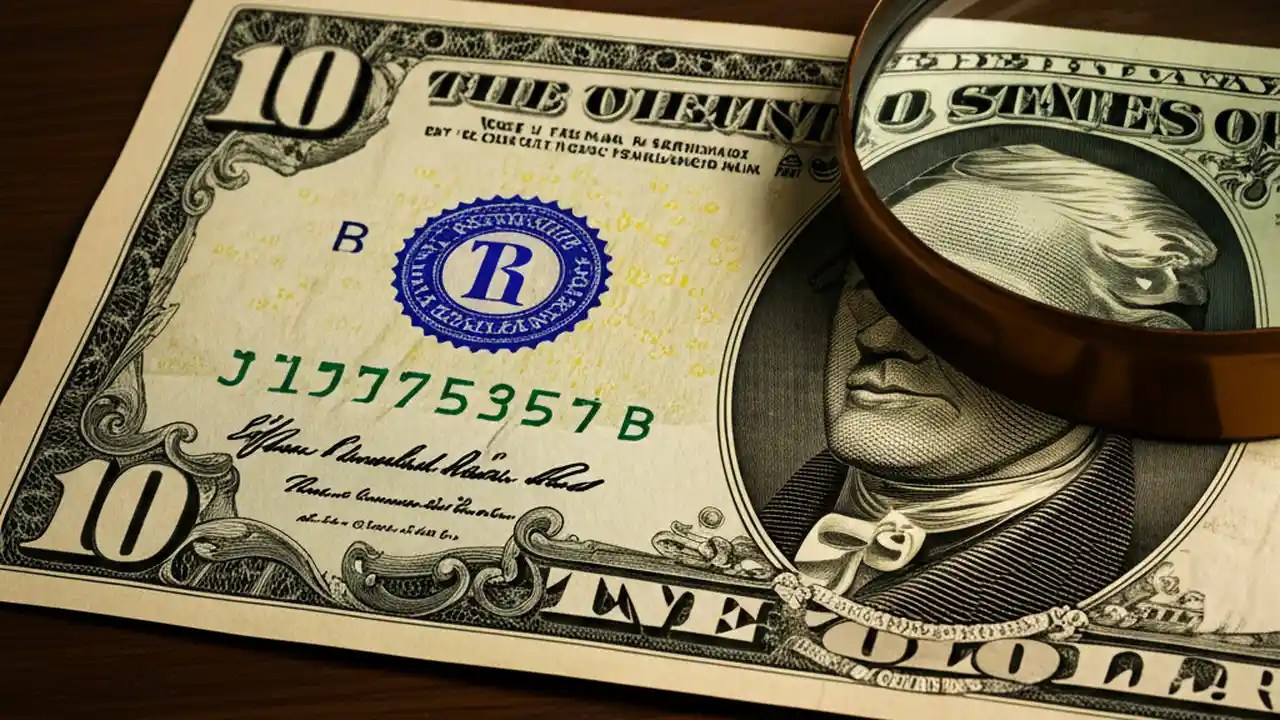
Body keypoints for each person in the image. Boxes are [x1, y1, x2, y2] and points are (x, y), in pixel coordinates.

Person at [757, 144, 1219, 626]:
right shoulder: (781, 517)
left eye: (966, 312)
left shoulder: (1124, 576)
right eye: (874, 291)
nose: (879, 337)